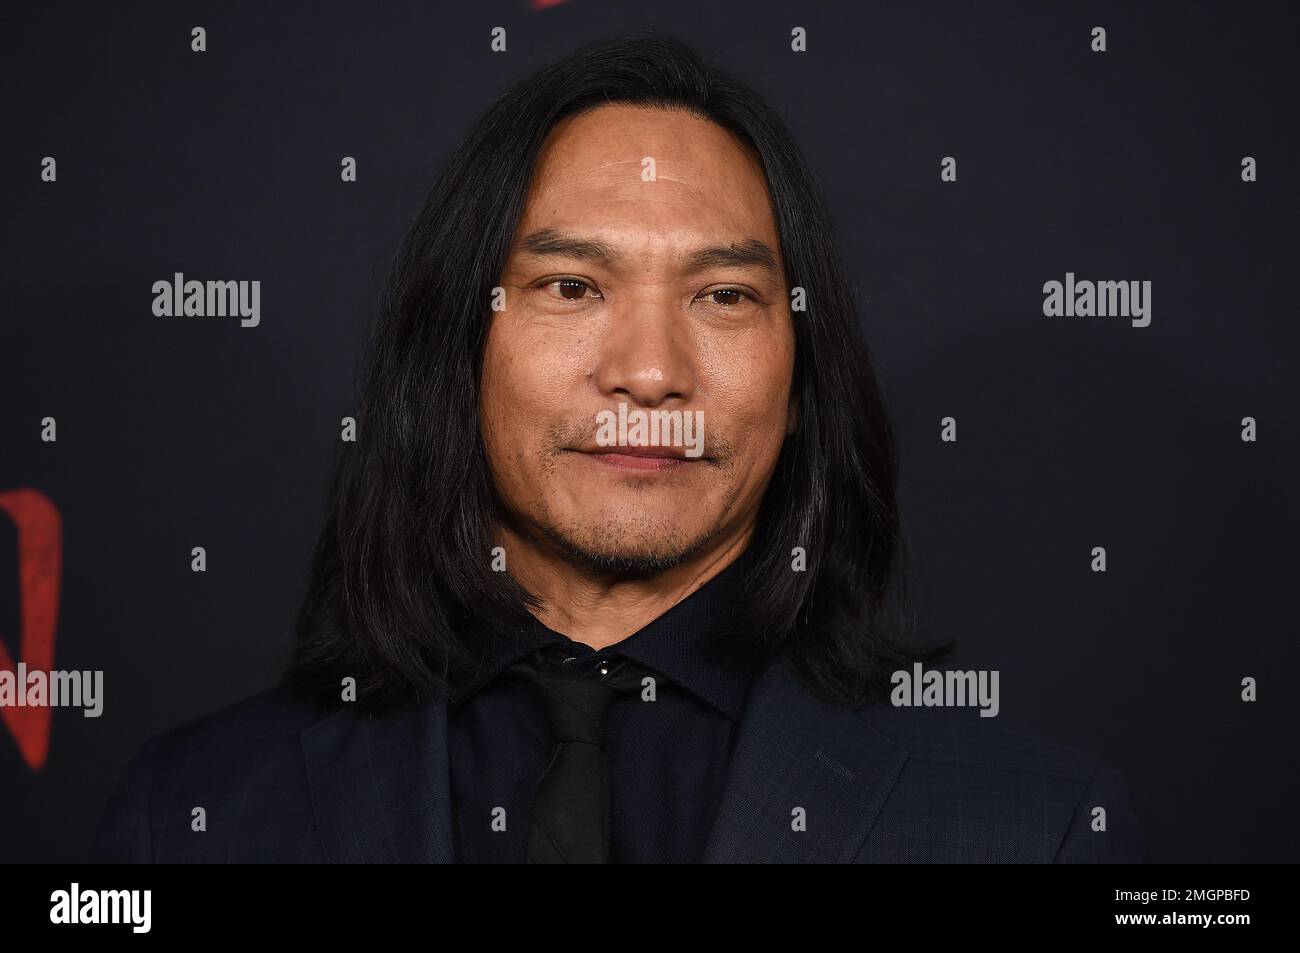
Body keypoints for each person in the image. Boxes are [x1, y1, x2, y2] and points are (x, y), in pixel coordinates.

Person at [94, 33, 1143, 864]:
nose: (649, 371)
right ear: (457, 349)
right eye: (571, 287)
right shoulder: (194, 810)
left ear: (799, 383)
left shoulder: (1032, 825)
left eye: (724, 296)